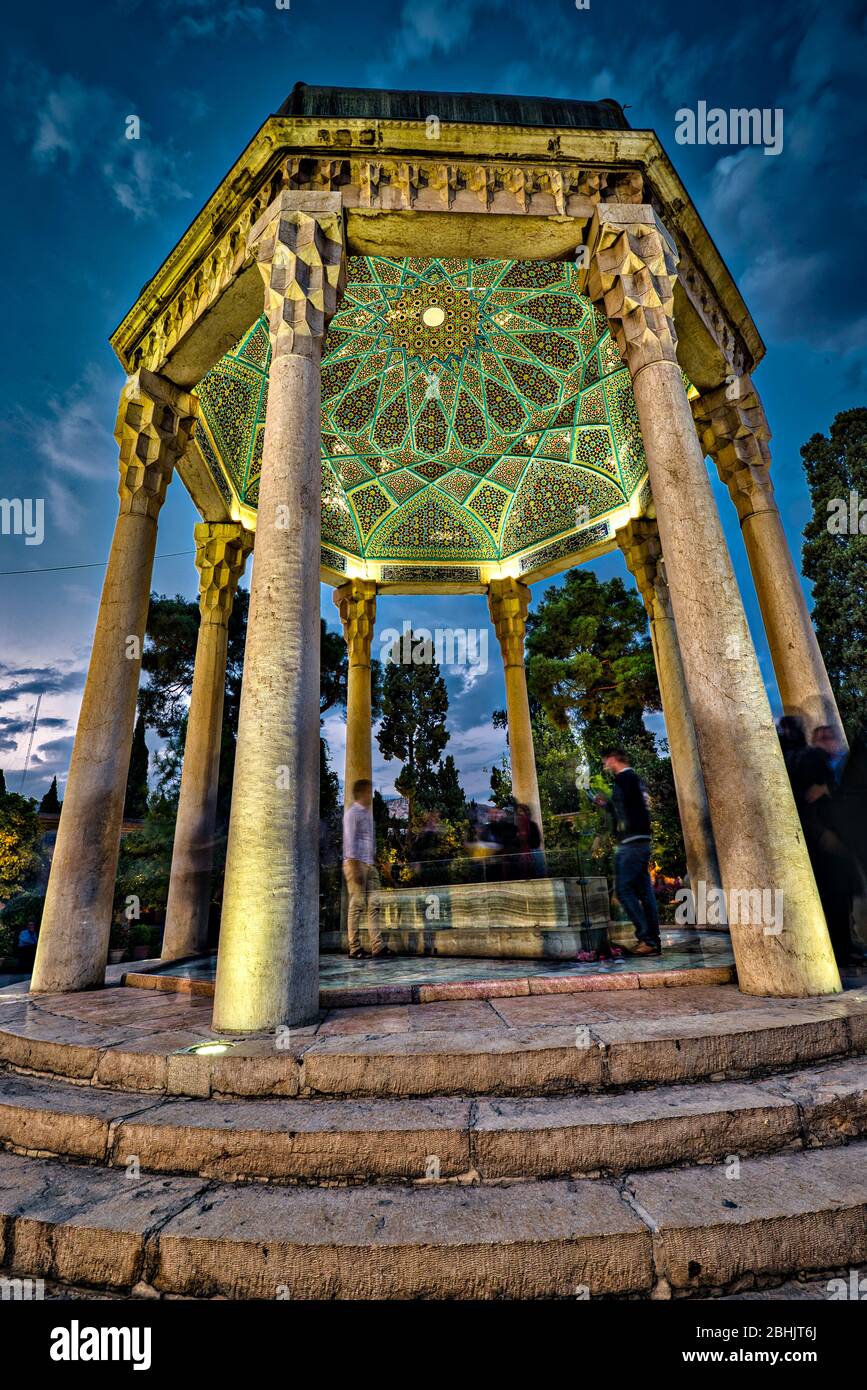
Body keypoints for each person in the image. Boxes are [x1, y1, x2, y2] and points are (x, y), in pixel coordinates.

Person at [778, 717, 858, 966]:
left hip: (804, 840)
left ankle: (831, 947)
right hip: (824, 838)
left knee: (825, 897)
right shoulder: (811, 758)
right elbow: (828, 795)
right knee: (836, 897)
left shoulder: (784, 761)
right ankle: (842, 949)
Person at [595, 748, 661, 956]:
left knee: (623, 890)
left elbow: (624, 812)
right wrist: (607, 805)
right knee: (645, 892)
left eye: (606, 760)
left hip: (631, 841)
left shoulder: (624, 779)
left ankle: (646, 937)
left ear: (613, 759)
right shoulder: (633, 779)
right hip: (641, 840)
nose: (605, 764)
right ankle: (652, 940)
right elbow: (629, 807)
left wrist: (608, 828)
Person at [342, 779, 393, 960]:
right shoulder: (352, 814)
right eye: (369, 791)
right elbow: (349, 841)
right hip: (356, 863)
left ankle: (377, 946)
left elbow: (368, 842)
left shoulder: (367, 815)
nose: (371, 795)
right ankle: (354, 948)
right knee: (356, 905)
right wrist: (355, 868)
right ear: (361, 793)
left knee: (374, 905)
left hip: (370, 864)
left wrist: (378, 862)